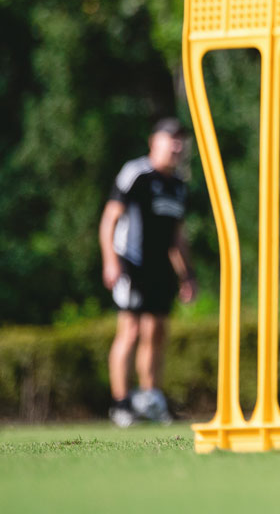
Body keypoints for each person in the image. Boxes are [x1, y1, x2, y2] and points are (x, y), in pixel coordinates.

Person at [100, 119, 197, 427]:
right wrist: (111, 261)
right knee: (130, 330)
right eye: (171, 139)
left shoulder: (178, 185)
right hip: (132, 263)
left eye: (182, 141)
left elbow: (177, 237)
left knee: (157, 332)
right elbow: (109, 220)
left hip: (160, 269)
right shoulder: (136, 174)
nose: (177, 146)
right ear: (154, 141)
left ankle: (150, 397)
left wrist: (187, 274)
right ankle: (121, 403)